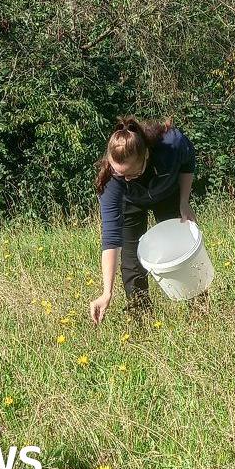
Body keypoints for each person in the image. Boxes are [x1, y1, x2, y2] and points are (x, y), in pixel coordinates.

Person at [89, 115, 197, 323]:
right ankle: (141, 320)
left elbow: (187, 162)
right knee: (131, 261)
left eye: (131, 174)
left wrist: (184, 201)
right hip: (131, 202)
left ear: (146, 155)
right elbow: (111, 238)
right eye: (120, 174)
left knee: (181, 248)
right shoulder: (111, 181)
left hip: (166, 194)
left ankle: (200, 310)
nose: (124, 178)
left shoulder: (171, 145)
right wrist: (106, 292)